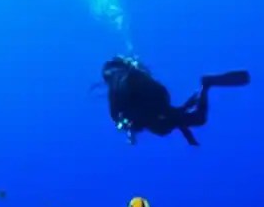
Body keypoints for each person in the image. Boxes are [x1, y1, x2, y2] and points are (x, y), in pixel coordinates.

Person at [101, 56, 250, 146]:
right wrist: (186, 130)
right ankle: (206, 84)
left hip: (152, 103)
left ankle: (206, 84)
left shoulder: (116, 89)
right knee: (190, 119)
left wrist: (128, 129)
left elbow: (120, 117)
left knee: (195, 119)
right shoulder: (127, 80)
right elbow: (171, 116)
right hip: (156, 98)